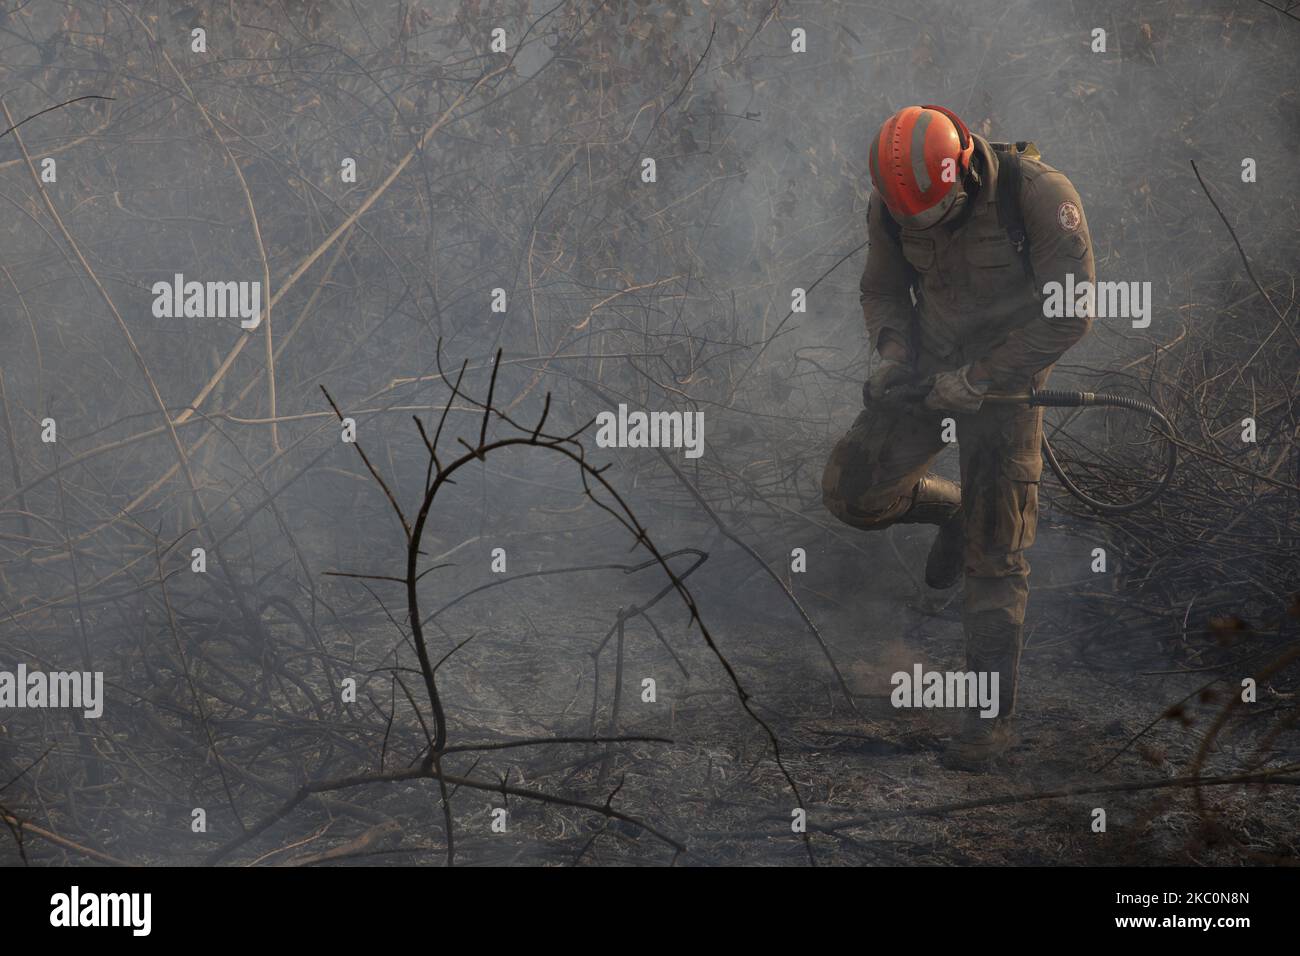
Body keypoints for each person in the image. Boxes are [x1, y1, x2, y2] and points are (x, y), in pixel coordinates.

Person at [822, 104, 1096, 770]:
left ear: (966, 171)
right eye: (910, 217)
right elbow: (883, 288)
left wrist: (981, 377)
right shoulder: (894, 202)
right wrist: (891, 352)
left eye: (935, 215)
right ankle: (950, 508)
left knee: (996, 557)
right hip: (927, 374)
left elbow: (1072, 312)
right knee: (852, 492)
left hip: (1008, 387)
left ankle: (987, 722)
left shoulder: (1038, 195)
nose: (922, 226)